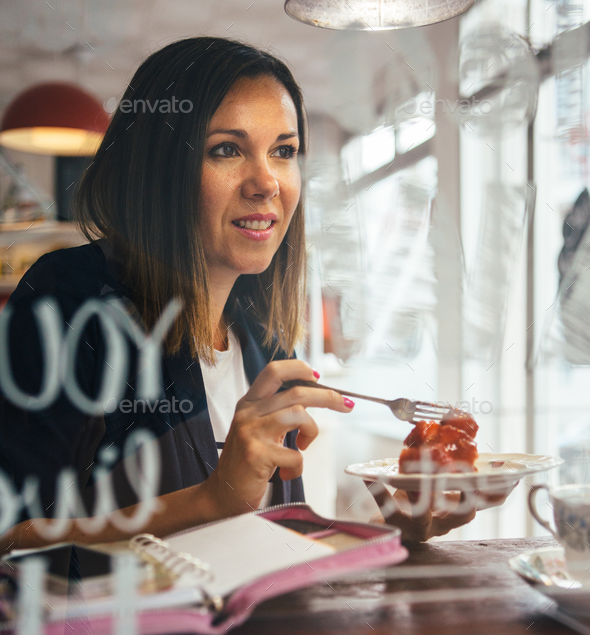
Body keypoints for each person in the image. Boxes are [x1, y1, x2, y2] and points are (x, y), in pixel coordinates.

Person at [0, 37, 502, 553]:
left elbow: (263, 547)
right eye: (227, 149)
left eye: (284, 152)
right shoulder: (67, 297)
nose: (267, 183)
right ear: (159, 168)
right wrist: (211, 498)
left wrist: (397, 531)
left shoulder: (265, 341)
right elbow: (8, 539)